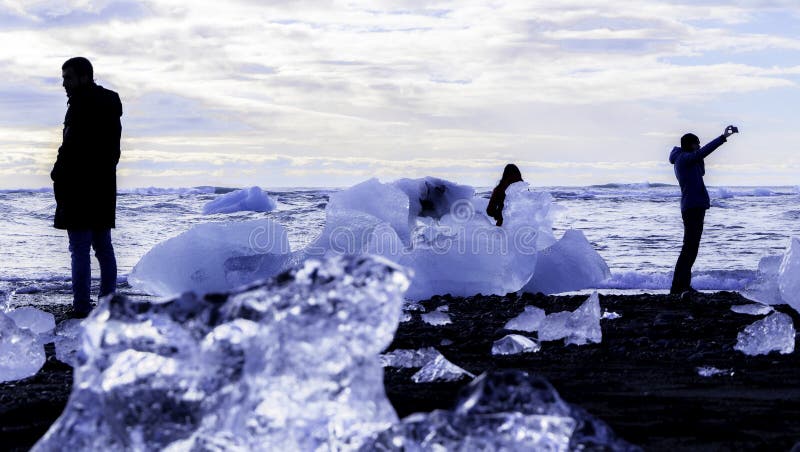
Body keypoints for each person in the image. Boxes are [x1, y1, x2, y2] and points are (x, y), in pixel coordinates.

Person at [51, 57, 122, 317]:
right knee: (103, 247)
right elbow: (115, 150)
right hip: (103, 186)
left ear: (84, 76)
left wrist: (57, 172)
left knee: (80, 248)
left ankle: (81, 306)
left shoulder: (80, 104)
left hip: (79, 188)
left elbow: (69, 147)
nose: (64, 84)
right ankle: (108, 305)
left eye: (68, 78)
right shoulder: (111, 102)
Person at [668, 125, 738, 296]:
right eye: (697, 144)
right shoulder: (683, 159)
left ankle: (682, 285)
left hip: (695, 206)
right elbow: (702, 153)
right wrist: (723, 137)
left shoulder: (687, 160)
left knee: (691, 248)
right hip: (692, 207)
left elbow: (702, 170)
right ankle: (679, 287)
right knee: (689, 248)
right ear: (690, 145)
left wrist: (698, 155)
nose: (699, 146)